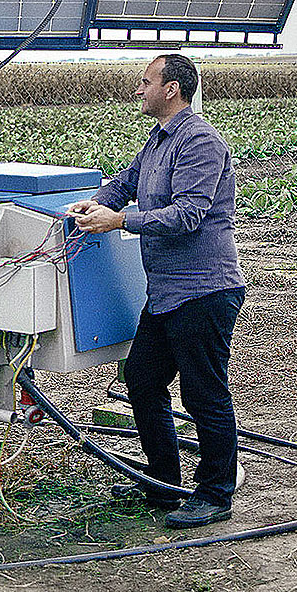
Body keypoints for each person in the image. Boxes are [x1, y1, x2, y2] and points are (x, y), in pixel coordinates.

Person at [67, 53, 245, 529]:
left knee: (204, 395)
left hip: (203, 291)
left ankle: (215, 494)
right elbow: (124, 183)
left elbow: (188, 214)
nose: (140, 89)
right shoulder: (158, 141)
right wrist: (95, 205)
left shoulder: (200, 141)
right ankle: (165, 481)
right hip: (166, 292)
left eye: (147, 82)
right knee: (142, 380)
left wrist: (120, 220)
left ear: (171, 90)